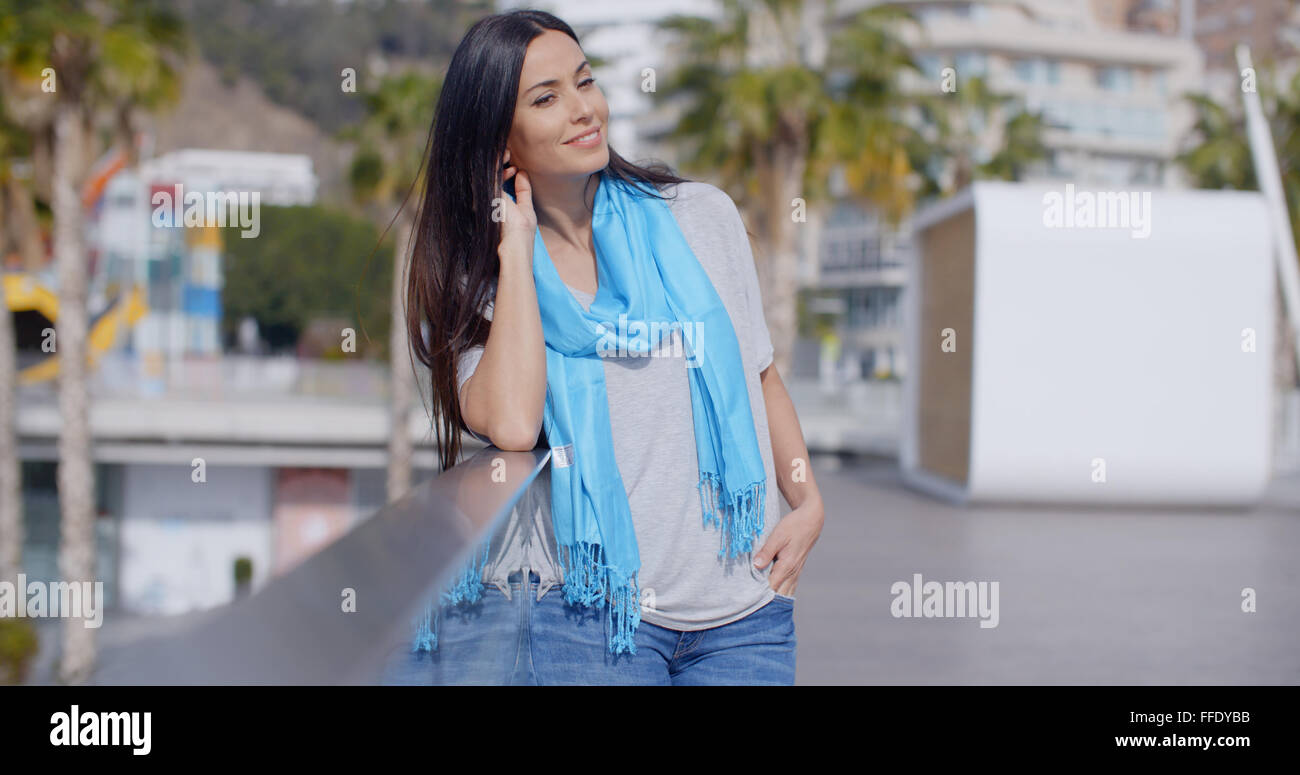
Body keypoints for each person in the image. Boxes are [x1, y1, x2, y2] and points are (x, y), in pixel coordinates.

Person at [385, 8, 825, 686]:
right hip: (596, 621)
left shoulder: (699, 217)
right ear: (501, 142)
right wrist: (517, 243)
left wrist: (809, 502)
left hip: (746, 618)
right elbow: (511, 421)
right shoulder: (481, 281)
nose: (583, 109)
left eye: (584, 81)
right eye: (546, 98)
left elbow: (759, 376)